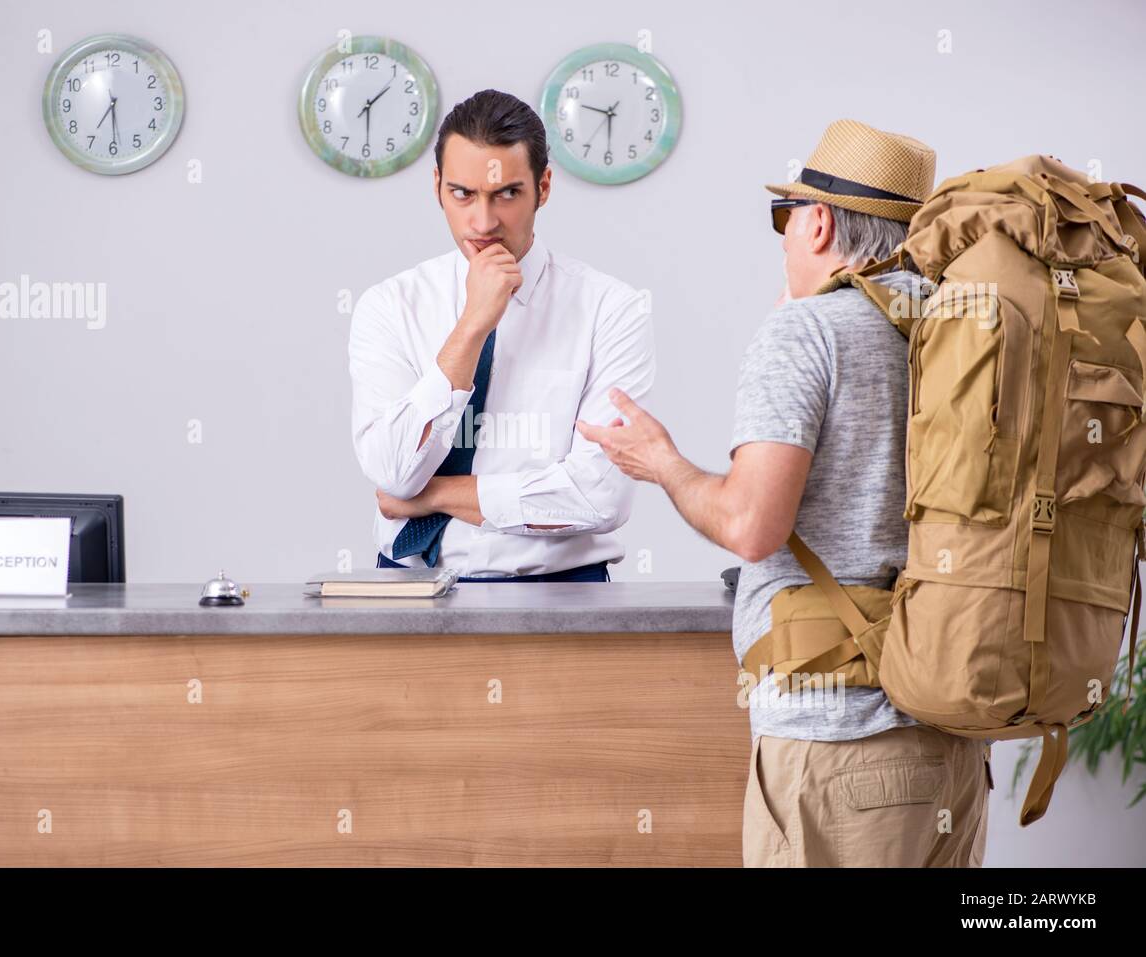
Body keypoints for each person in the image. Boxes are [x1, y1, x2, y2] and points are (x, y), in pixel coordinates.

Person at [578, 119, 991, 866]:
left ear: (823, 222)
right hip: (952, 746)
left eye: (787, 217)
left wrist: (661, 460)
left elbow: (751, 525)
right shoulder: (959, 331)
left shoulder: (808, 332)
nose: (783, 237)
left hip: (837, 746)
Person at [350, 89, 656, 581]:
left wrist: (431, 496)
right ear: (437, 188)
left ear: (544, 187)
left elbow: (601, 496)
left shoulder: (610, 309)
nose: (483, 222)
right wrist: (473, 324)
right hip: (406, 589)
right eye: (463, 194)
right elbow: (392, 470)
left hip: (561, 594)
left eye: (507, 194)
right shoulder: (389, 305)